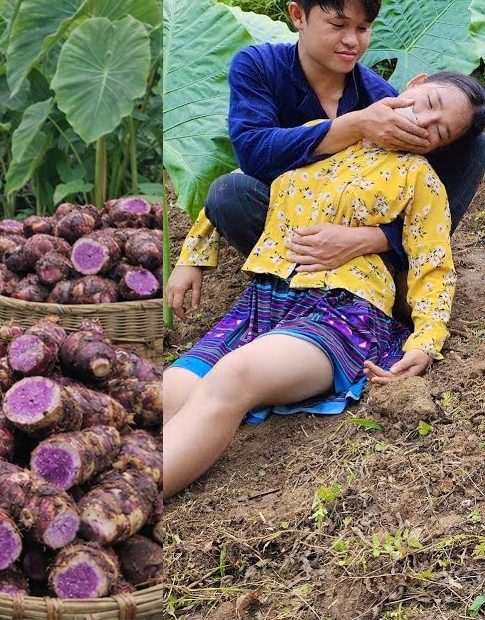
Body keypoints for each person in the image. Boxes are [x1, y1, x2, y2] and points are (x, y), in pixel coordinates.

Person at [163, 70, 485, 498]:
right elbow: (248, 175)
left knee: (232, 377)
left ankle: (125, 506)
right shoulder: (320, 135)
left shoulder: (419, 178)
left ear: (441, 148)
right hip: (264, 301)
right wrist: (192, 256)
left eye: (438, 131)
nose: (422, 124)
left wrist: (426, 339)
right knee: (169, 390)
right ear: (412, 84)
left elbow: (432, 265)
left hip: (343, 310)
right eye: (427, 104)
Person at [186, 0, 485, 287]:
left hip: (358, 234)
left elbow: (412, 197)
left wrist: (366, 239)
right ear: (298, 16)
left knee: (473, 142)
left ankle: (378, 282)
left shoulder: (381, 98)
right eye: (338, 24)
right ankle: (319, 289)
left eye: (363, 28)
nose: (352, 41)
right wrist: (355, 125)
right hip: (290, 222)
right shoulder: (259, 66)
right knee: (230, 193)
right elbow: (253, 153)